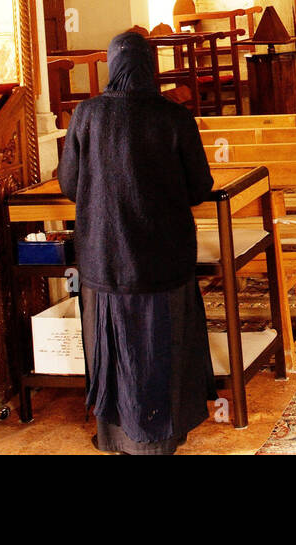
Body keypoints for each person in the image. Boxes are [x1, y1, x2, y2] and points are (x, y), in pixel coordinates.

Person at [58, 31, 217, 455]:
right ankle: (162, 438)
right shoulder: (173, 116)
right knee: (162, 349)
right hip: (161, 262)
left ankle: (115, 437)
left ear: (112, 65)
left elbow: (69, 184)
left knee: (113, 354)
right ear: (152, 66)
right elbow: (200, 185)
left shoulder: (86, 115)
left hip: (103, 260)